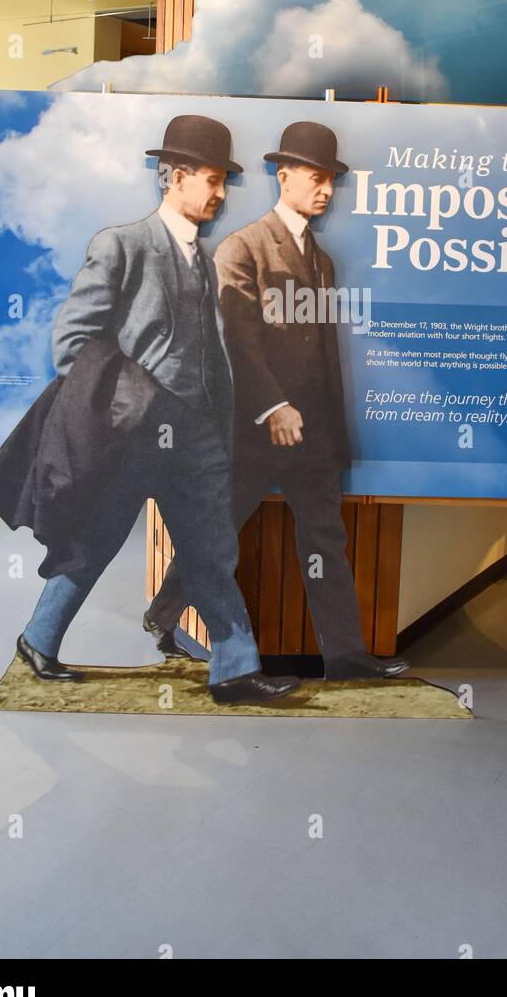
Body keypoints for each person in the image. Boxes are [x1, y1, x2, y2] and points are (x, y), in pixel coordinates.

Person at [1, 114, 300, 706]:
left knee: (212, 550)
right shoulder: (121, 244)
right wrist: (128, 403)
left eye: (223, 183)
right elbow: (72, 342)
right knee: (95, 541)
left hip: (197, 437)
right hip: (130, 436)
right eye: (211, 180)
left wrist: (218, 422)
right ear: (172, 176)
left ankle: (235, 671)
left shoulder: (202, 259)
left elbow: (209, 351)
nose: (219, 195)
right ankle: (38, 639)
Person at [146, 120, 409, 682]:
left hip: (313, 436)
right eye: (316, 177)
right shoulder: (241, 249)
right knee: (217, 534)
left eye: (331, 181)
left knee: (325, 541)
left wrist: (324, 426)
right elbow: (236, 339)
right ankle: (164, 614)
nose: (325, 190)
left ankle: (344, 656)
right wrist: (273, 407)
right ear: (283, 176)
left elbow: (320, 354)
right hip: (253, 430)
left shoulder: (323, 260)